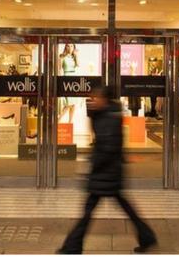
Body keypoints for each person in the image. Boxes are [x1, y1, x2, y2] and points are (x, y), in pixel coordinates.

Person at [58, 86, 157, 254]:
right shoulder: (106, 114)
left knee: (88, 212)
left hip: (105, 173)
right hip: (108, 173)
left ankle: (72, 247)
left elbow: (107, 147)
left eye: (95, 98)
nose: (92, 101)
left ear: (104, 99)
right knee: (122, 207)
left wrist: (91, 168)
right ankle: (147, 237)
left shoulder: (109, 117)